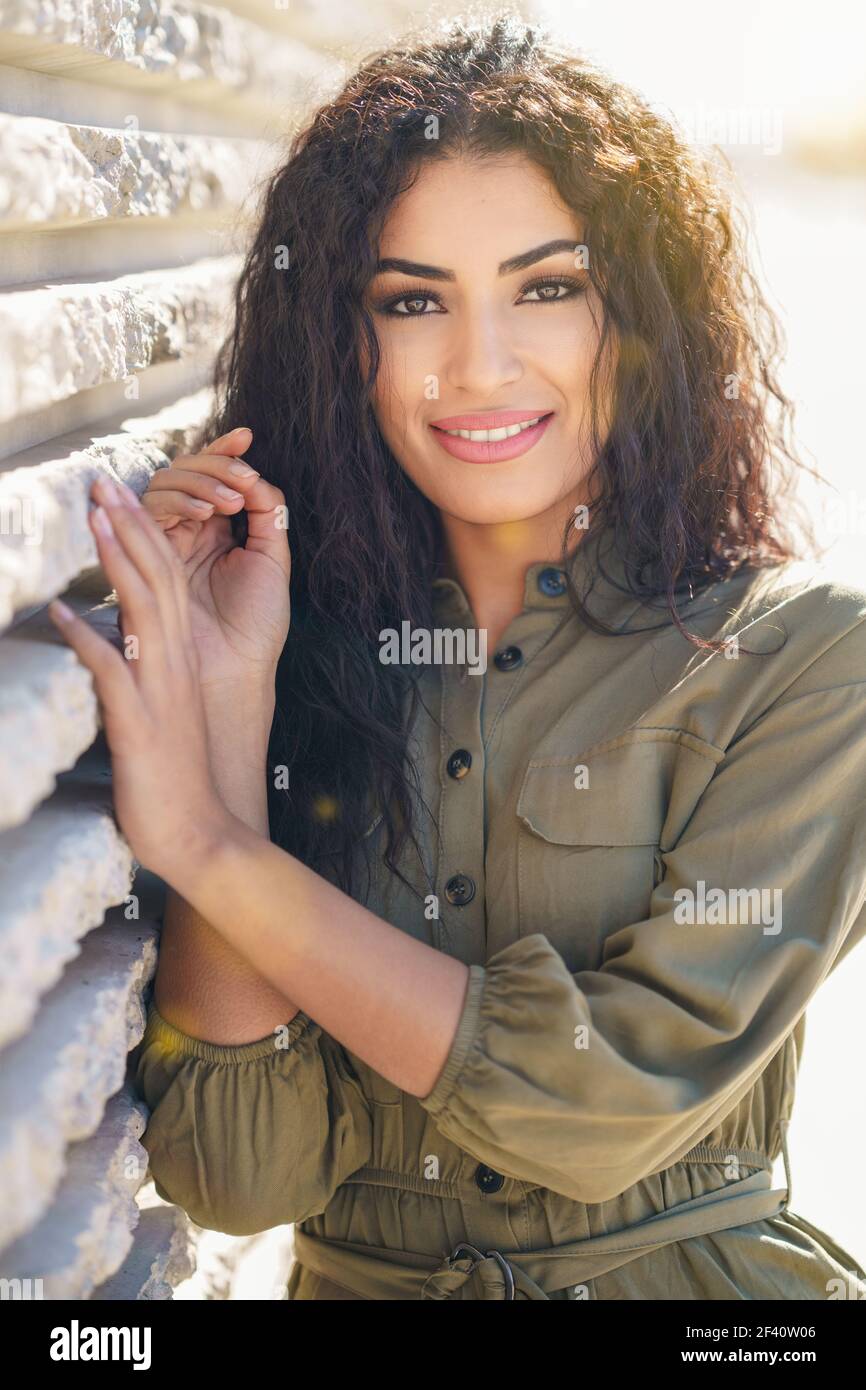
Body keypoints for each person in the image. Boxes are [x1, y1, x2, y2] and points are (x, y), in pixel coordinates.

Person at [50, 16, 866, 1300]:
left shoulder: (803, 660)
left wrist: (213, 849)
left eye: (546, 286)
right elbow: (237, 1174)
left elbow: (600, 1107)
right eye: (412, 300)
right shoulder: (306, 663)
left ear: (633, 318)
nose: (478, 365)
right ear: (346, 348)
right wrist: (228, 705)